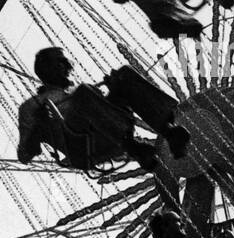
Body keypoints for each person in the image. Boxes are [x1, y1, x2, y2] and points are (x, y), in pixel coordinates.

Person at [16, 47, 190, 172]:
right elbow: (24, 155)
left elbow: (105, 109)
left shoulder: (82, 89)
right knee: (84, 92)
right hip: (83, 147)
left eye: (63, 62)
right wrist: (37, 127)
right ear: (42, 70)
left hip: (110, 131)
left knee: (124, 74)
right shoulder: (32, 106)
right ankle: (133, 147)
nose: (61, 66)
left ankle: (169, 131)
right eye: (55, 63)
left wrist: (114, 88)